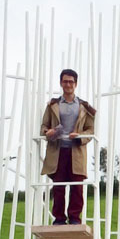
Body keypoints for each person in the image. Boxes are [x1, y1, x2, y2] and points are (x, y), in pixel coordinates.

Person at [40, 69, 96, 225]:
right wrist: (48, 132)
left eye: (71, 81)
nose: (68, 84)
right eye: (65, 81)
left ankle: (75, 218)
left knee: (77, 187)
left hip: (76, 151)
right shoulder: (53, 105)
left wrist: (79, 136)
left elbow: (91, 130)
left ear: (76, 84)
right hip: (57, 151)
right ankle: (59, 218)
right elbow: (43, 126)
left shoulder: (84, 106)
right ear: (61, 83)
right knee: (58, 187)